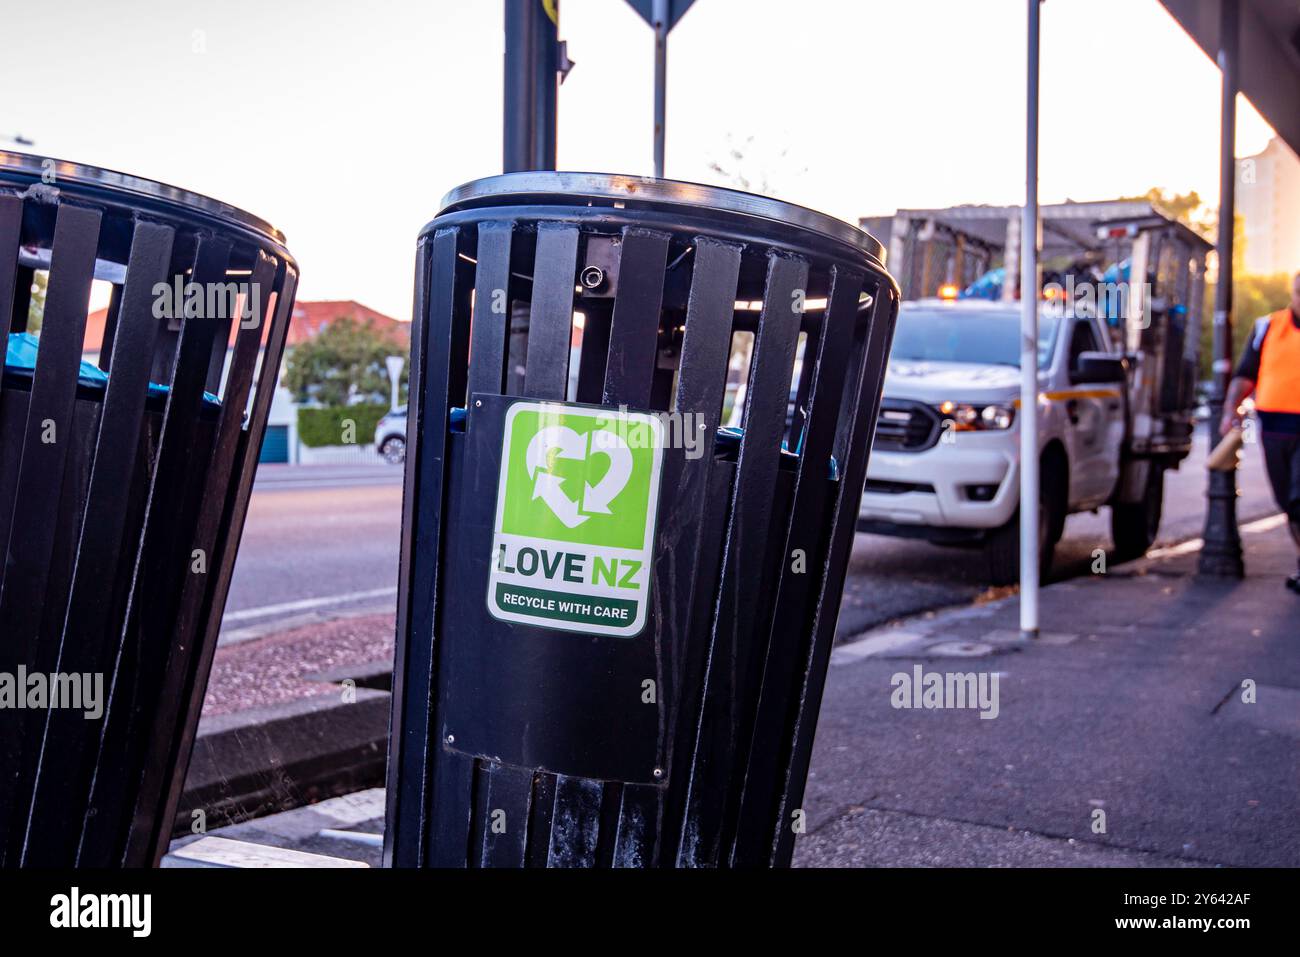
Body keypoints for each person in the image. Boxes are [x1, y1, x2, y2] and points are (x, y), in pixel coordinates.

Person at [1220, 272, 1300, 594]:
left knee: (1299, 499)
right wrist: (1229, 410)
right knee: (1287, 501)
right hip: (1275, 430)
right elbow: (1245, 375)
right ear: (1293, 292)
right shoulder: (1267, 327)